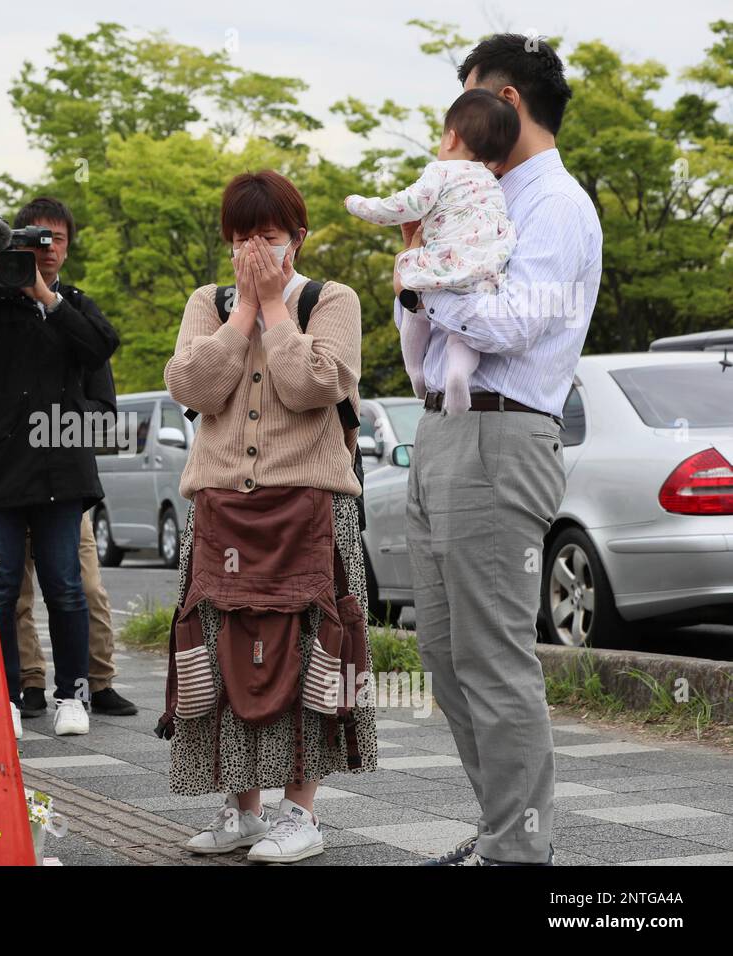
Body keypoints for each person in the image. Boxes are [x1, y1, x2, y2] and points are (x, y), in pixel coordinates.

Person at [396, 34, 601, 866]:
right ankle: (500, 833)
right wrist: (421, 264)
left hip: (504, 428)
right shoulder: (478, 198)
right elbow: (430, 314)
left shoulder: (554, 204)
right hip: (445, 426)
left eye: (468, 102)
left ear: (506, 103)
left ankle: (521, 854)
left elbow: (511, 323)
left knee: (493, 655)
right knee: (445, 657)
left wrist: (423, 277)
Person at [162, 170, 377, 864]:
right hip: (224, 510)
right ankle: (242, 810)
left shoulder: (332, 299)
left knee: (312, 651)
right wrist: (242, 316)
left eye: (270, 237)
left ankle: (302, 813)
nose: (255, 251)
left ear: (298, 239)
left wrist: (278, 310)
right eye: (242, 238)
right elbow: (192, 385)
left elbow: (315, 383)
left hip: (308, 510)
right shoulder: (209, 302)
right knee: (224, 652)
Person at [0, 196, 119, 739]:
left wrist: (46, 297)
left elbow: (98, 349)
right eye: (32, 241)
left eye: (56, 240)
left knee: (65, 585)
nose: (43, 251)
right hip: (0, 472)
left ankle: (72, 694)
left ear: (67, 249)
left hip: (59, 474)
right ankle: (2, 695)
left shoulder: (72, 303)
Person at [346, 88, 520, 415]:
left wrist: (360, 205)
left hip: (441, 264)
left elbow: (406, 205)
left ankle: (416, 372)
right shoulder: (495, 185)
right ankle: (458, 374)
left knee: (415, 309)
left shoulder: (440, 171)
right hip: (483, 273)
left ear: (450, 138)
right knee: (460, 338)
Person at [15, 357, 137, 720]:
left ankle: (97, 683)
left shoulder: (79, 331)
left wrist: (53, 419)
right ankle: (30, 682)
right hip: (12, 481)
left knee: (86, 588)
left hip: (66, 484)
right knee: (15, 591)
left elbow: (104, 414)